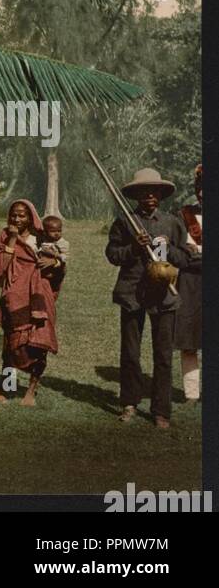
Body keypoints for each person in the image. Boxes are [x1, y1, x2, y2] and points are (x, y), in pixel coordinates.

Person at [106, 166, 193, 429]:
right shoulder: (125, 221)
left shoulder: (172, 222)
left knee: (163, 355)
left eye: (154, 193)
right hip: (132, 293)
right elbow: (112, 254)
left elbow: (186, 257)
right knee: (131, 352)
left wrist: (167, 251)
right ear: (137, 196)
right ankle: (129, 402)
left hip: (164, 295)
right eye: (144, 193)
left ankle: (160, 411)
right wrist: (134, 247)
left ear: (160, 195)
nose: (149, 197)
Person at [0, 199, 61, 406]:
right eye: (14, 215)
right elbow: (0, 268)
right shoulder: (4, 236)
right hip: (15, 296)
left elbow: (61, 261)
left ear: (31, 217)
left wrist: (54, 262)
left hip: (40, 297)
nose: (17, 219)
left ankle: (31, 390)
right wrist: (12, 239)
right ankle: (9, 387)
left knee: (39, 343)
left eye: (22, 215)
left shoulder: (42, 237)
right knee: (12, 345)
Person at [176, 164, 202, 404]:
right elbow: (177, 249)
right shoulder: (184, 215)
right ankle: (192, 393)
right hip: (191, 285)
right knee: (189, 340)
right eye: (200, 187)